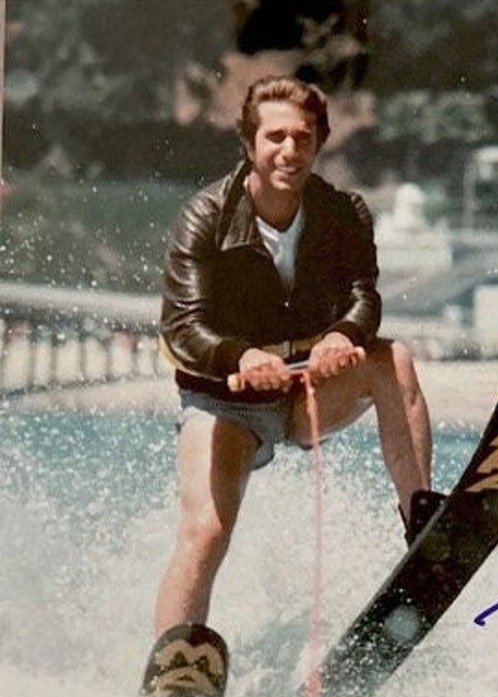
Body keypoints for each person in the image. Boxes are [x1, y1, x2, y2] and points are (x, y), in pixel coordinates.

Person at [151, 75, 444, 648]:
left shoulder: (343, 213)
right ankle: (174, 660)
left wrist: (341, 335)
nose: (289, 151)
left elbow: (365, 297)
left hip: (307, 390)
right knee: (205, 533)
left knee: (394, 360)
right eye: (275, 137)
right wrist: (240, 354)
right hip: (223, 399)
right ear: (250, 143)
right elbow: (181, 325)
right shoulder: (205, 216)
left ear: (320, 143)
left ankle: (424, 524)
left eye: (303, 139)